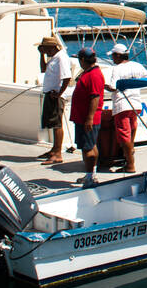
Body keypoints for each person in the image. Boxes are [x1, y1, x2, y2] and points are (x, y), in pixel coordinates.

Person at [103, 43, 147, 173]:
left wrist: (106, 87)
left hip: (122, 105)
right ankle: (128, 159)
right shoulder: (138, 66)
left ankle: (130, 165)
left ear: (118, 55)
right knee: (131, 133)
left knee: (124, 136)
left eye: (113, 56)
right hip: (136, 104)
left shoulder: (117, 69)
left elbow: (114, 86)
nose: (112, 58)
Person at [69, 48, 105, 187]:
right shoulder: (90, 73)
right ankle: (91, 174)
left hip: (87, 118)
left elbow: (95, 97)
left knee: (87, 148)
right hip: (83, 117)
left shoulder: (93, 75)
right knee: (90, 145)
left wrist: (89, 118)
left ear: (82, 60)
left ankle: (90, 177)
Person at [37, 36, 72, 164]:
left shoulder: (61, 58)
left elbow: (67, 77)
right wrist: (41, 55)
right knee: (52, 123)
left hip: (55, 96)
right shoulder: (54, 58)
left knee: (57, 124)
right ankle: (54, 149)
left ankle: (57, 153)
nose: (44, 50)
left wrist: (59, 93)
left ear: (51, 47)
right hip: (50, 93)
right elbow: (43, 69)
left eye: (45, 48)